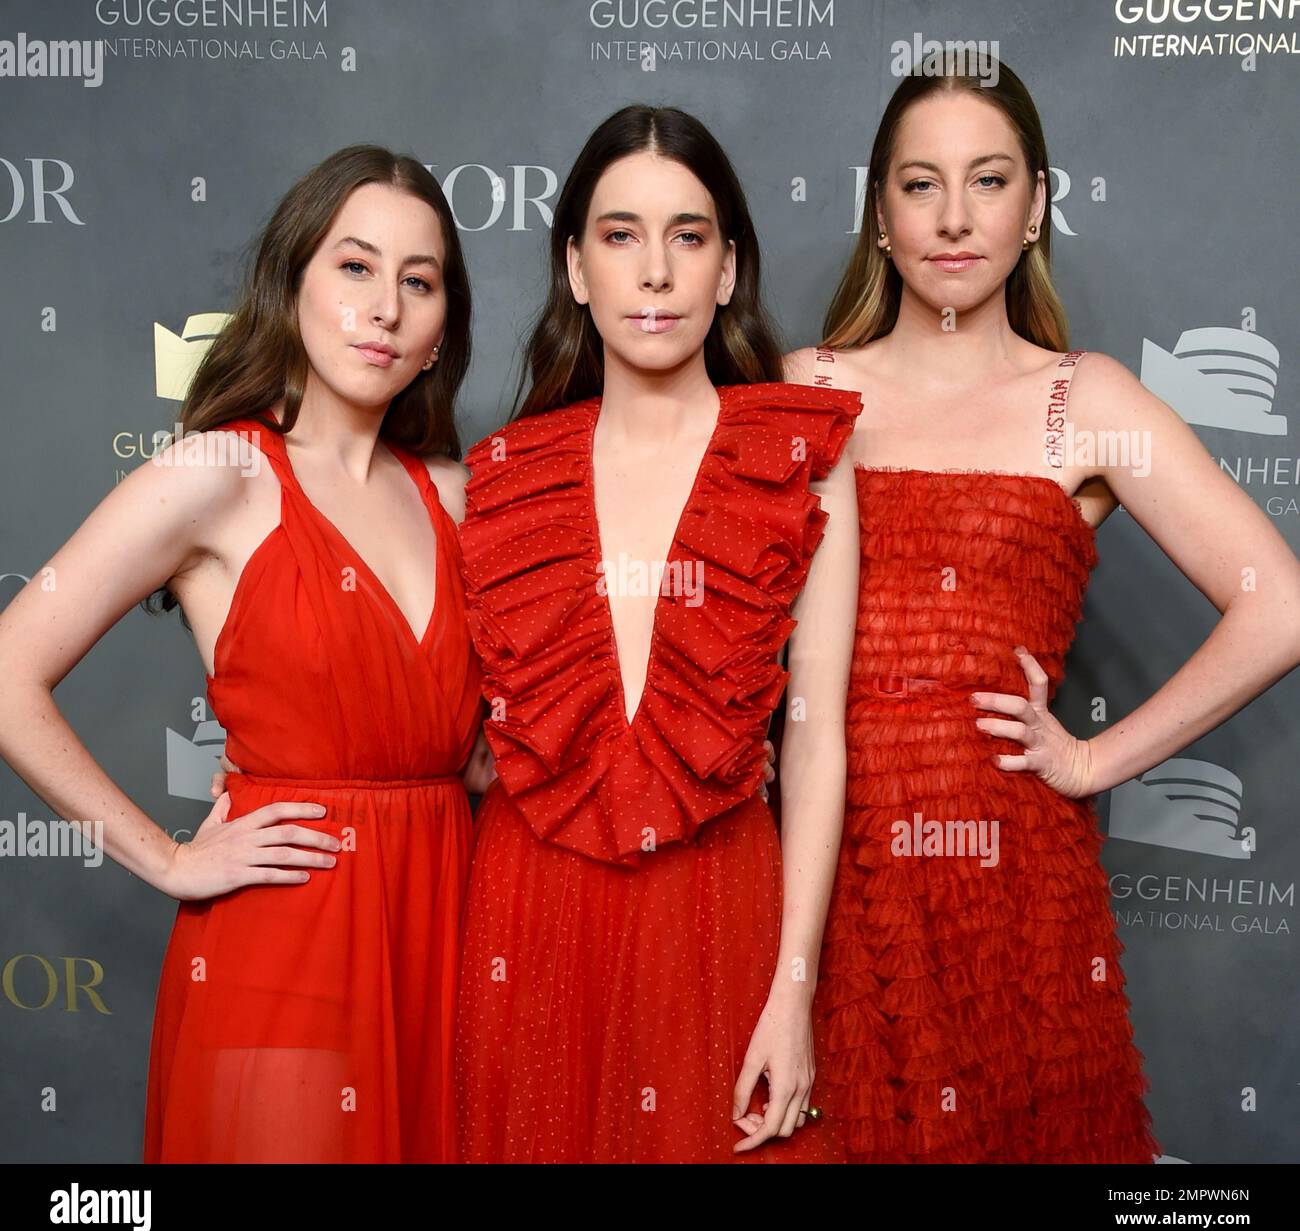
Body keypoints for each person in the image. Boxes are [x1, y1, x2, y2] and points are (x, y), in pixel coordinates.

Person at [784, 60, 1300, 1162]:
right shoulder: (806, 386)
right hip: (822, 873)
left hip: (1008, 887)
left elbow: (1280, 606)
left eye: (989, 179)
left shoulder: (1085, 400)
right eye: (921, 185)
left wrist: (1091, 761)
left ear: (1036, 206)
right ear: (879, 215)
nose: (955, 217)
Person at [0, 144, 486, 1162]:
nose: (384, 306)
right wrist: (170, 858)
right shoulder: (220, 473)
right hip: (284, 949)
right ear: (293, 282)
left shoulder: (457, 495)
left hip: (445, 937)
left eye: (418, 279)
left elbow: (468, 745)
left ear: (443, 328)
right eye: (354, 267)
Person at [453, 105, 864, 1162]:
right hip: (527, 916)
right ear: (576, 269)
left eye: (688, 237)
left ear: (728, 271)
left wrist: (795, 988)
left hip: (719, 912)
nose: (655, 272)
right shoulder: (501, 475)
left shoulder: (799, 455)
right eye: (619, 235)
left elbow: (816, 735)